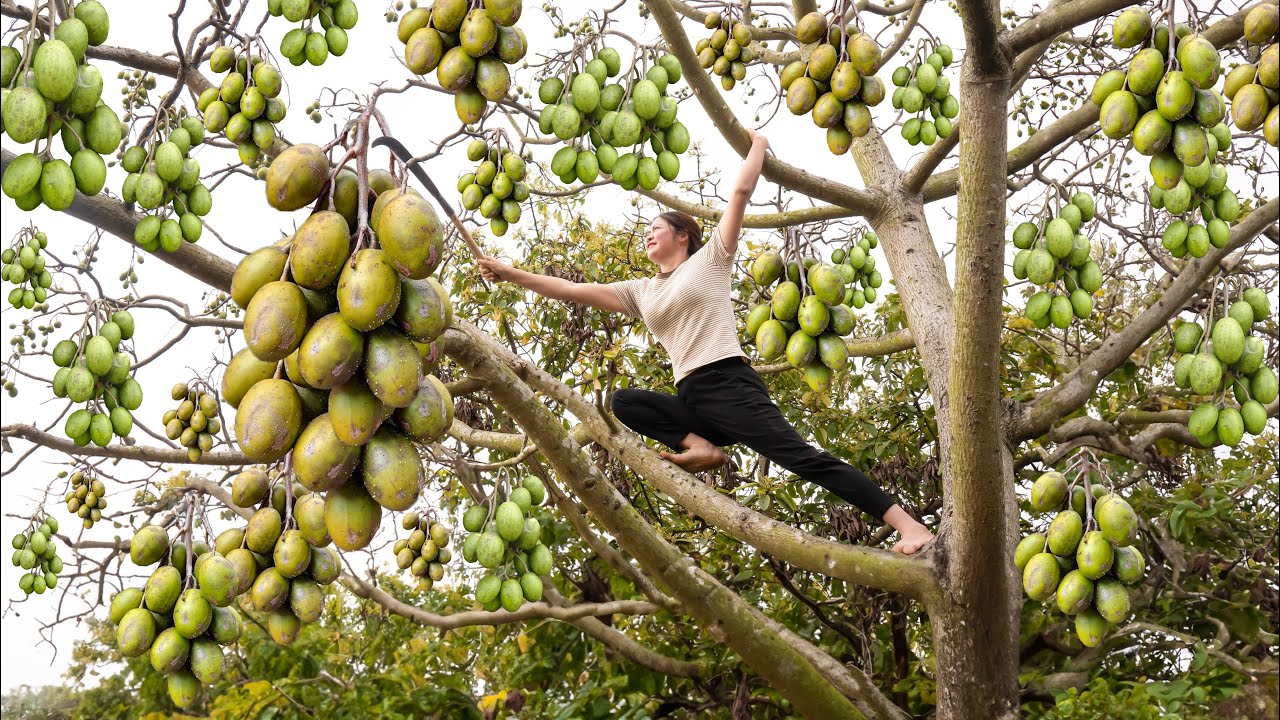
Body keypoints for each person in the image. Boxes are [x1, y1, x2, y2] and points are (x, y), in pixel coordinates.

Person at [478, 131, 934, 555]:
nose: (649, 234)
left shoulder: (712, 260)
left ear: (683, 235)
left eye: (657, 226)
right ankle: (703, 447)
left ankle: (909, 526)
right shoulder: (641, 291)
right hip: (693, 397)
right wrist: (510, 273)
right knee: (624, 402)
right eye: (646, 232)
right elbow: (571, 290)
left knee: (804, 460)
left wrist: (757, 143)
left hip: (730, 385)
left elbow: (739, 194)